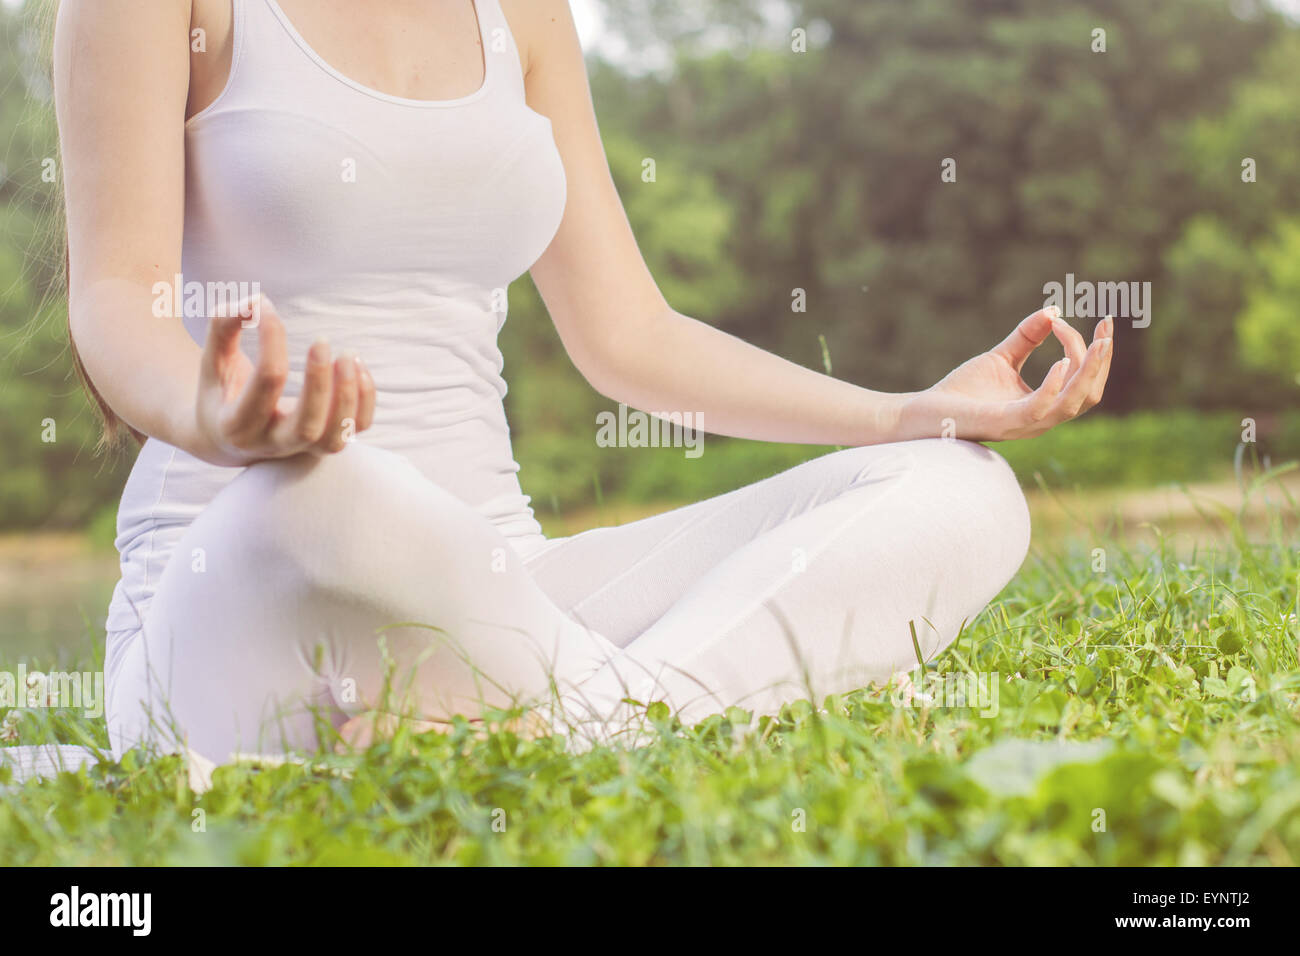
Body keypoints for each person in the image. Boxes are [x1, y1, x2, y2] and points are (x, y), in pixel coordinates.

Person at [52, 0, 1113, 764]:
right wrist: (218, 414)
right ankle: (642, 711)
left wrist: (908, 414)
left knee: (960, 488)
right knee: (326, 488)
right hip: (247, 569)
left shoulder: (523, 14)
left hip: (506, 581)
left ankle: (611, 723)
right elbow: (115, 301)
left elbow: (630, 335)